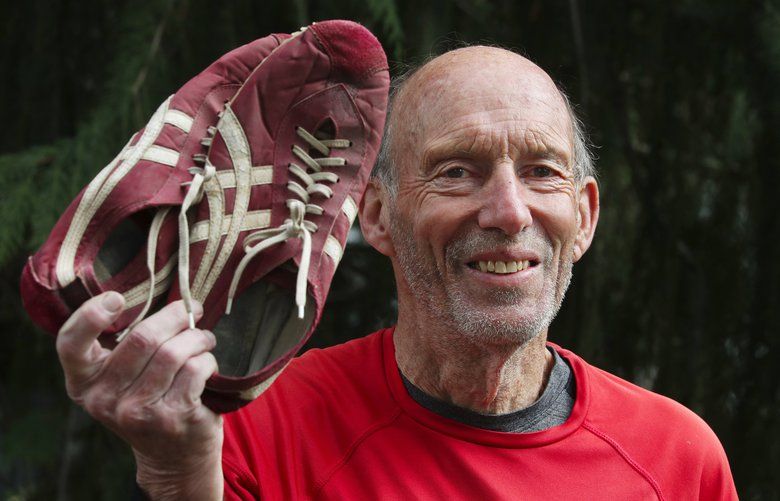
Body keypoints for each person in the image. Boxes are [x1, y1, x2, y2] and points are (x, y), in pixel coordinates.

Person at [55, 46, 738, 499]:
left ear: (584, 217)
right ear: (375, 216)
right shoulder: (262, 425)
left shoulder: (677, 458)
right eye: (456, 171)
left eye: (541, 172)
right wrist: (177, 473)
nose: (507, 210)